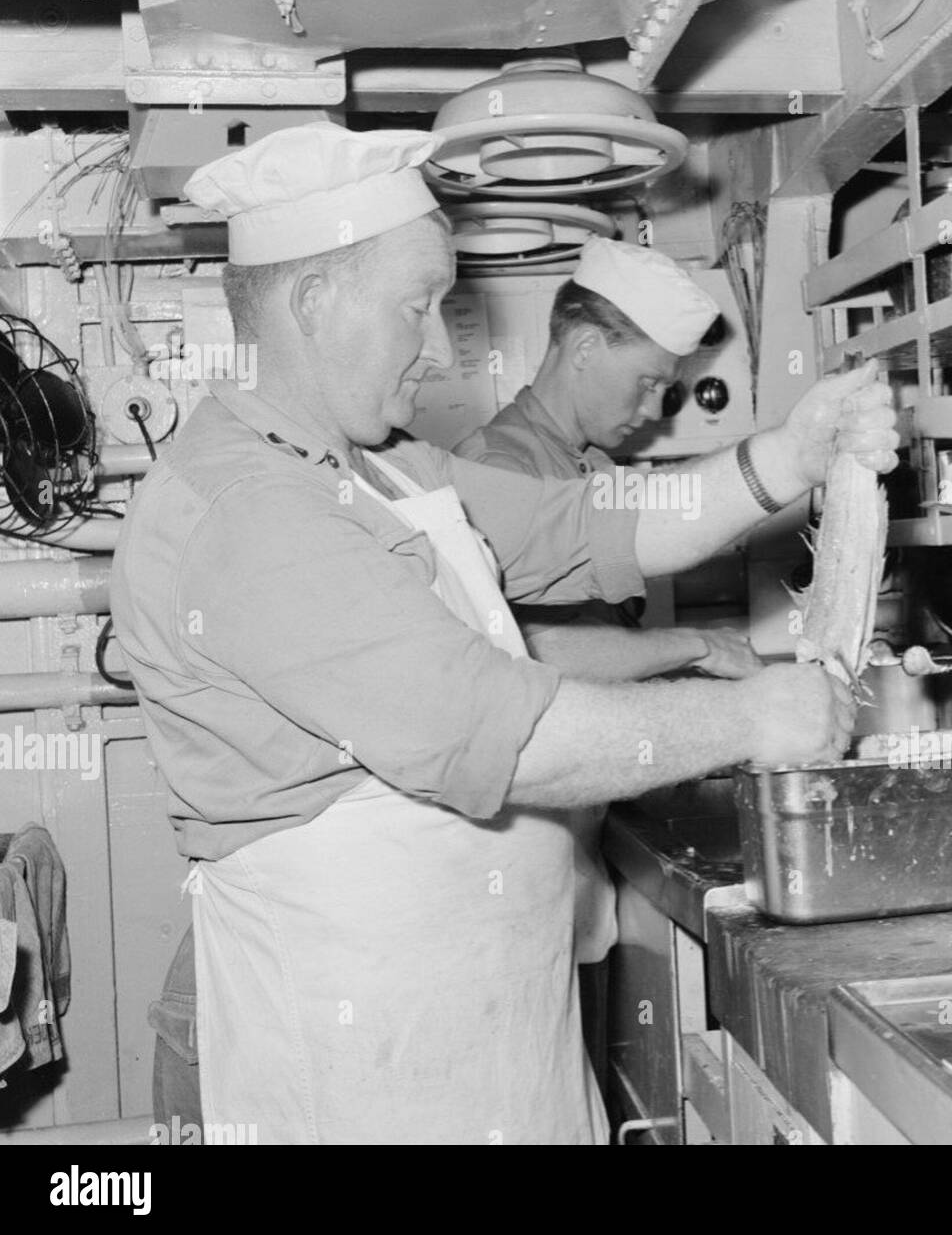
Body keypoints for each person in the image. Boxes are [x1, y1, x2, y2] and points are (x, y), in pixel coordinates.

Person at [112, 121, 898, 1144]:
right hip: (365, 1067)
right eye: (418, 307)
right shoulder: (245, 513)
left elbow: (588, 527)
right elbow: (508, 737)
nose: (439, 351)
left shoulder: (378, 468)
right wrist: (755, 714)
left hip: (484, 1041)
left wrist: (784, 456)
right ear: (315, 303)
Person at [454, 238, 763, 1091]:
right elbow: (529, 650)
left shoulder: (585, 464)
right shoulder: (499, 468)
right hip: (519, 845)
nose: (657, 408)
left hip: (573, 839)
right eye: (647, 383)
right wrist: (697, 646)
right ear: (583, 348)